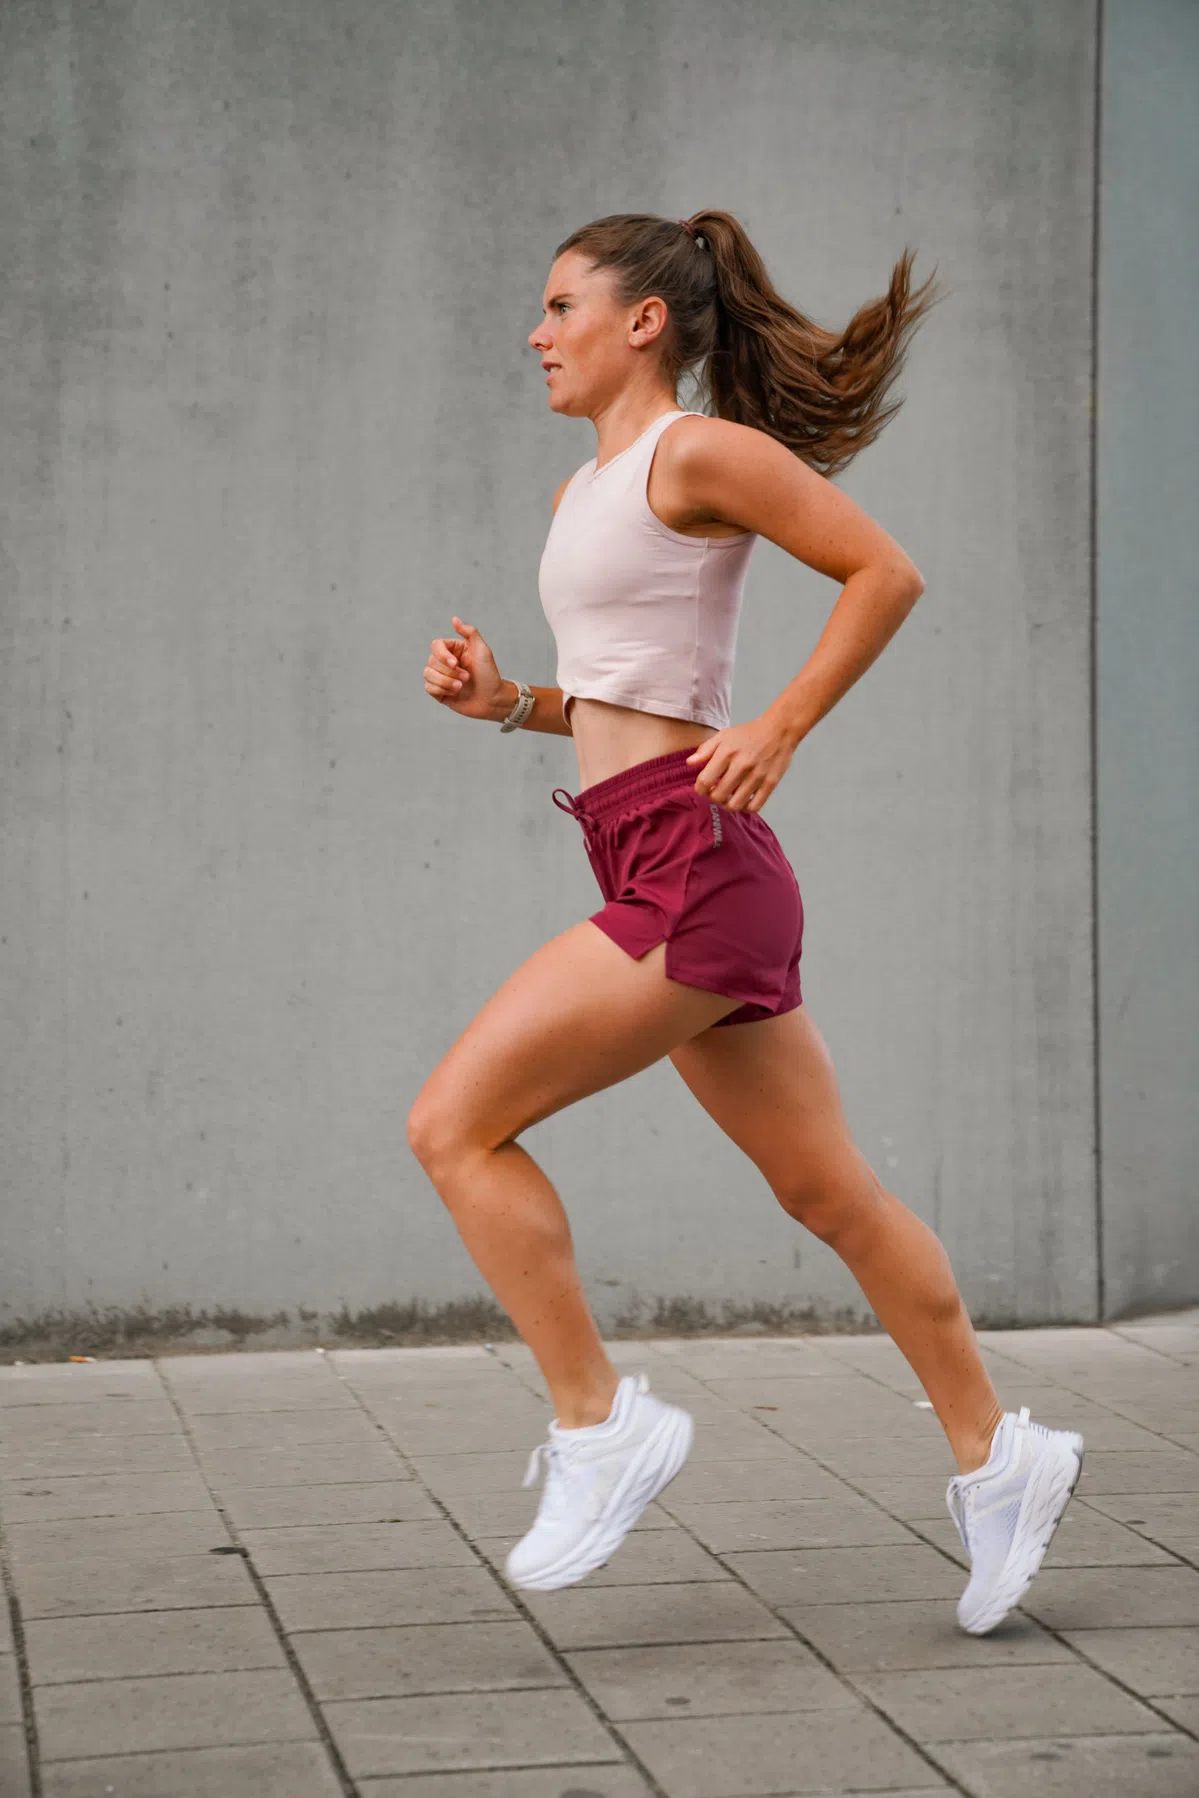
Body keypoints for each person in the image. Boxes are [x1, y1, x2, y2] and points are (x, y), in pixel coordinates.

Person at [408, 210, 1083, 1634]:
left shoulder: (695, 451)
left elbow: (882, 571)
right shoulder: (576, 491)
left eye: (557, 305)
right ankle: (998, 1453)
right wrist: (511, 706)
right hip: (656, 849)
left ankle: (600, 1421)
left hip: (693, 867)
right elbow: (619, 690)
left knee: (454, 1125)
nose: (535, 332)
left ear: (642, 321)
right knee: (829, 1193)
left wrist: (782, 722)